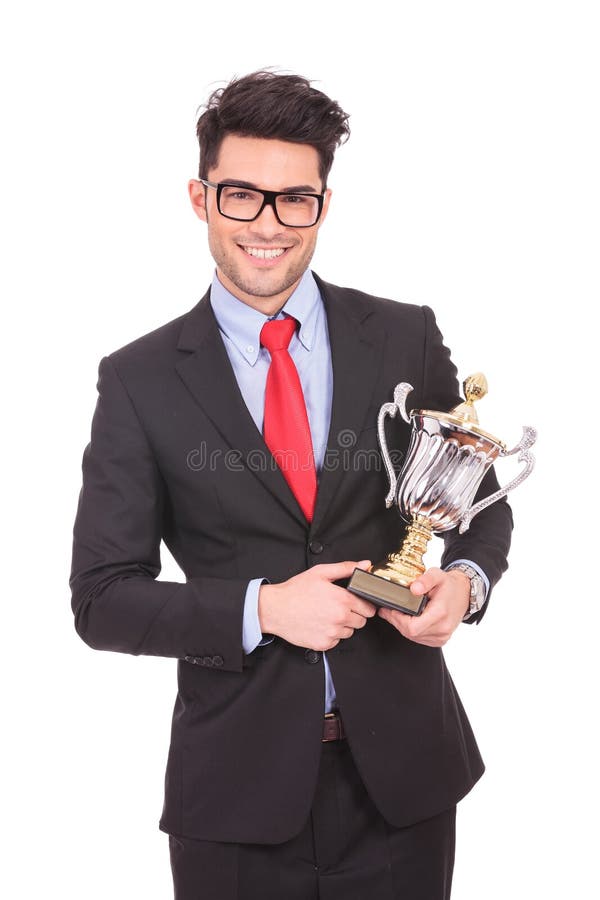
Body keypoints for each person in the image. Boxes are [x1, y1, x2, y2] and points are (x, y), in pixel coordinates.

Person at [70, 70, 513, 900]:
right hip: (233, 796)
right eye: (242, 196)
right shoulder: (138, 380)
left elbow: (480, 499)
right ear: (201, 199)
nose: (267, 225)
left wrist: (466, 582)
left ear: (323, 204)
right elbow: (101, 600)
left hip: (405, 782)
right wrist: (263, 608)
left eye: (294, 199)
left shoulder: (405, 338)